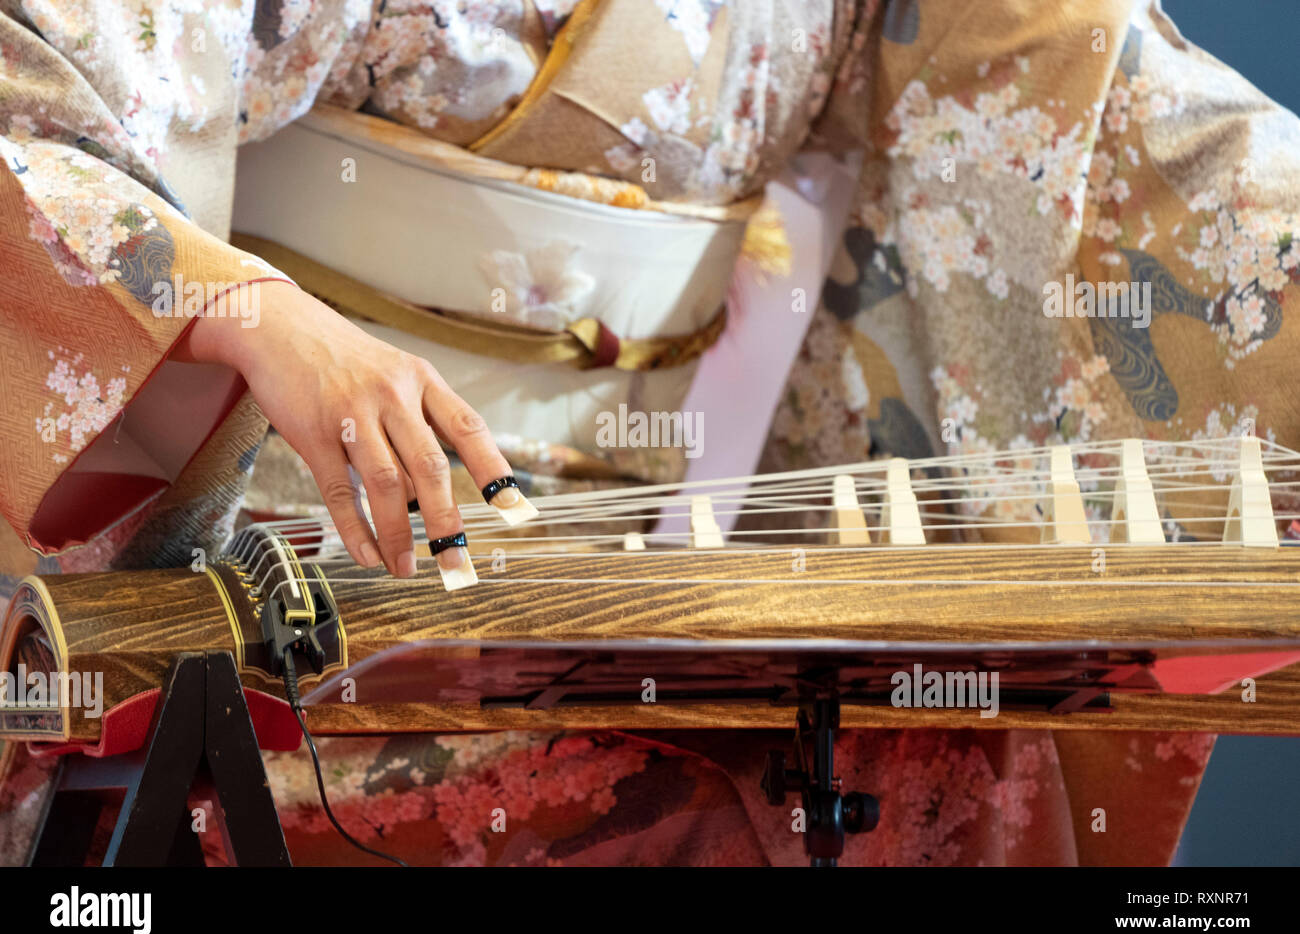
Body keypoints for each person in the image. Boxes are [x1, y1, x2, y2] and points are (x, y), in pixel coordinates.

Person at [1, 0, 1295, 865]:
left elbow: (1080, 95)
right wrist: (255, 316)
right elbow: (36, 93)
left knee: (921, 756)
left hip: (595, 597)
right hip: (300, 587)